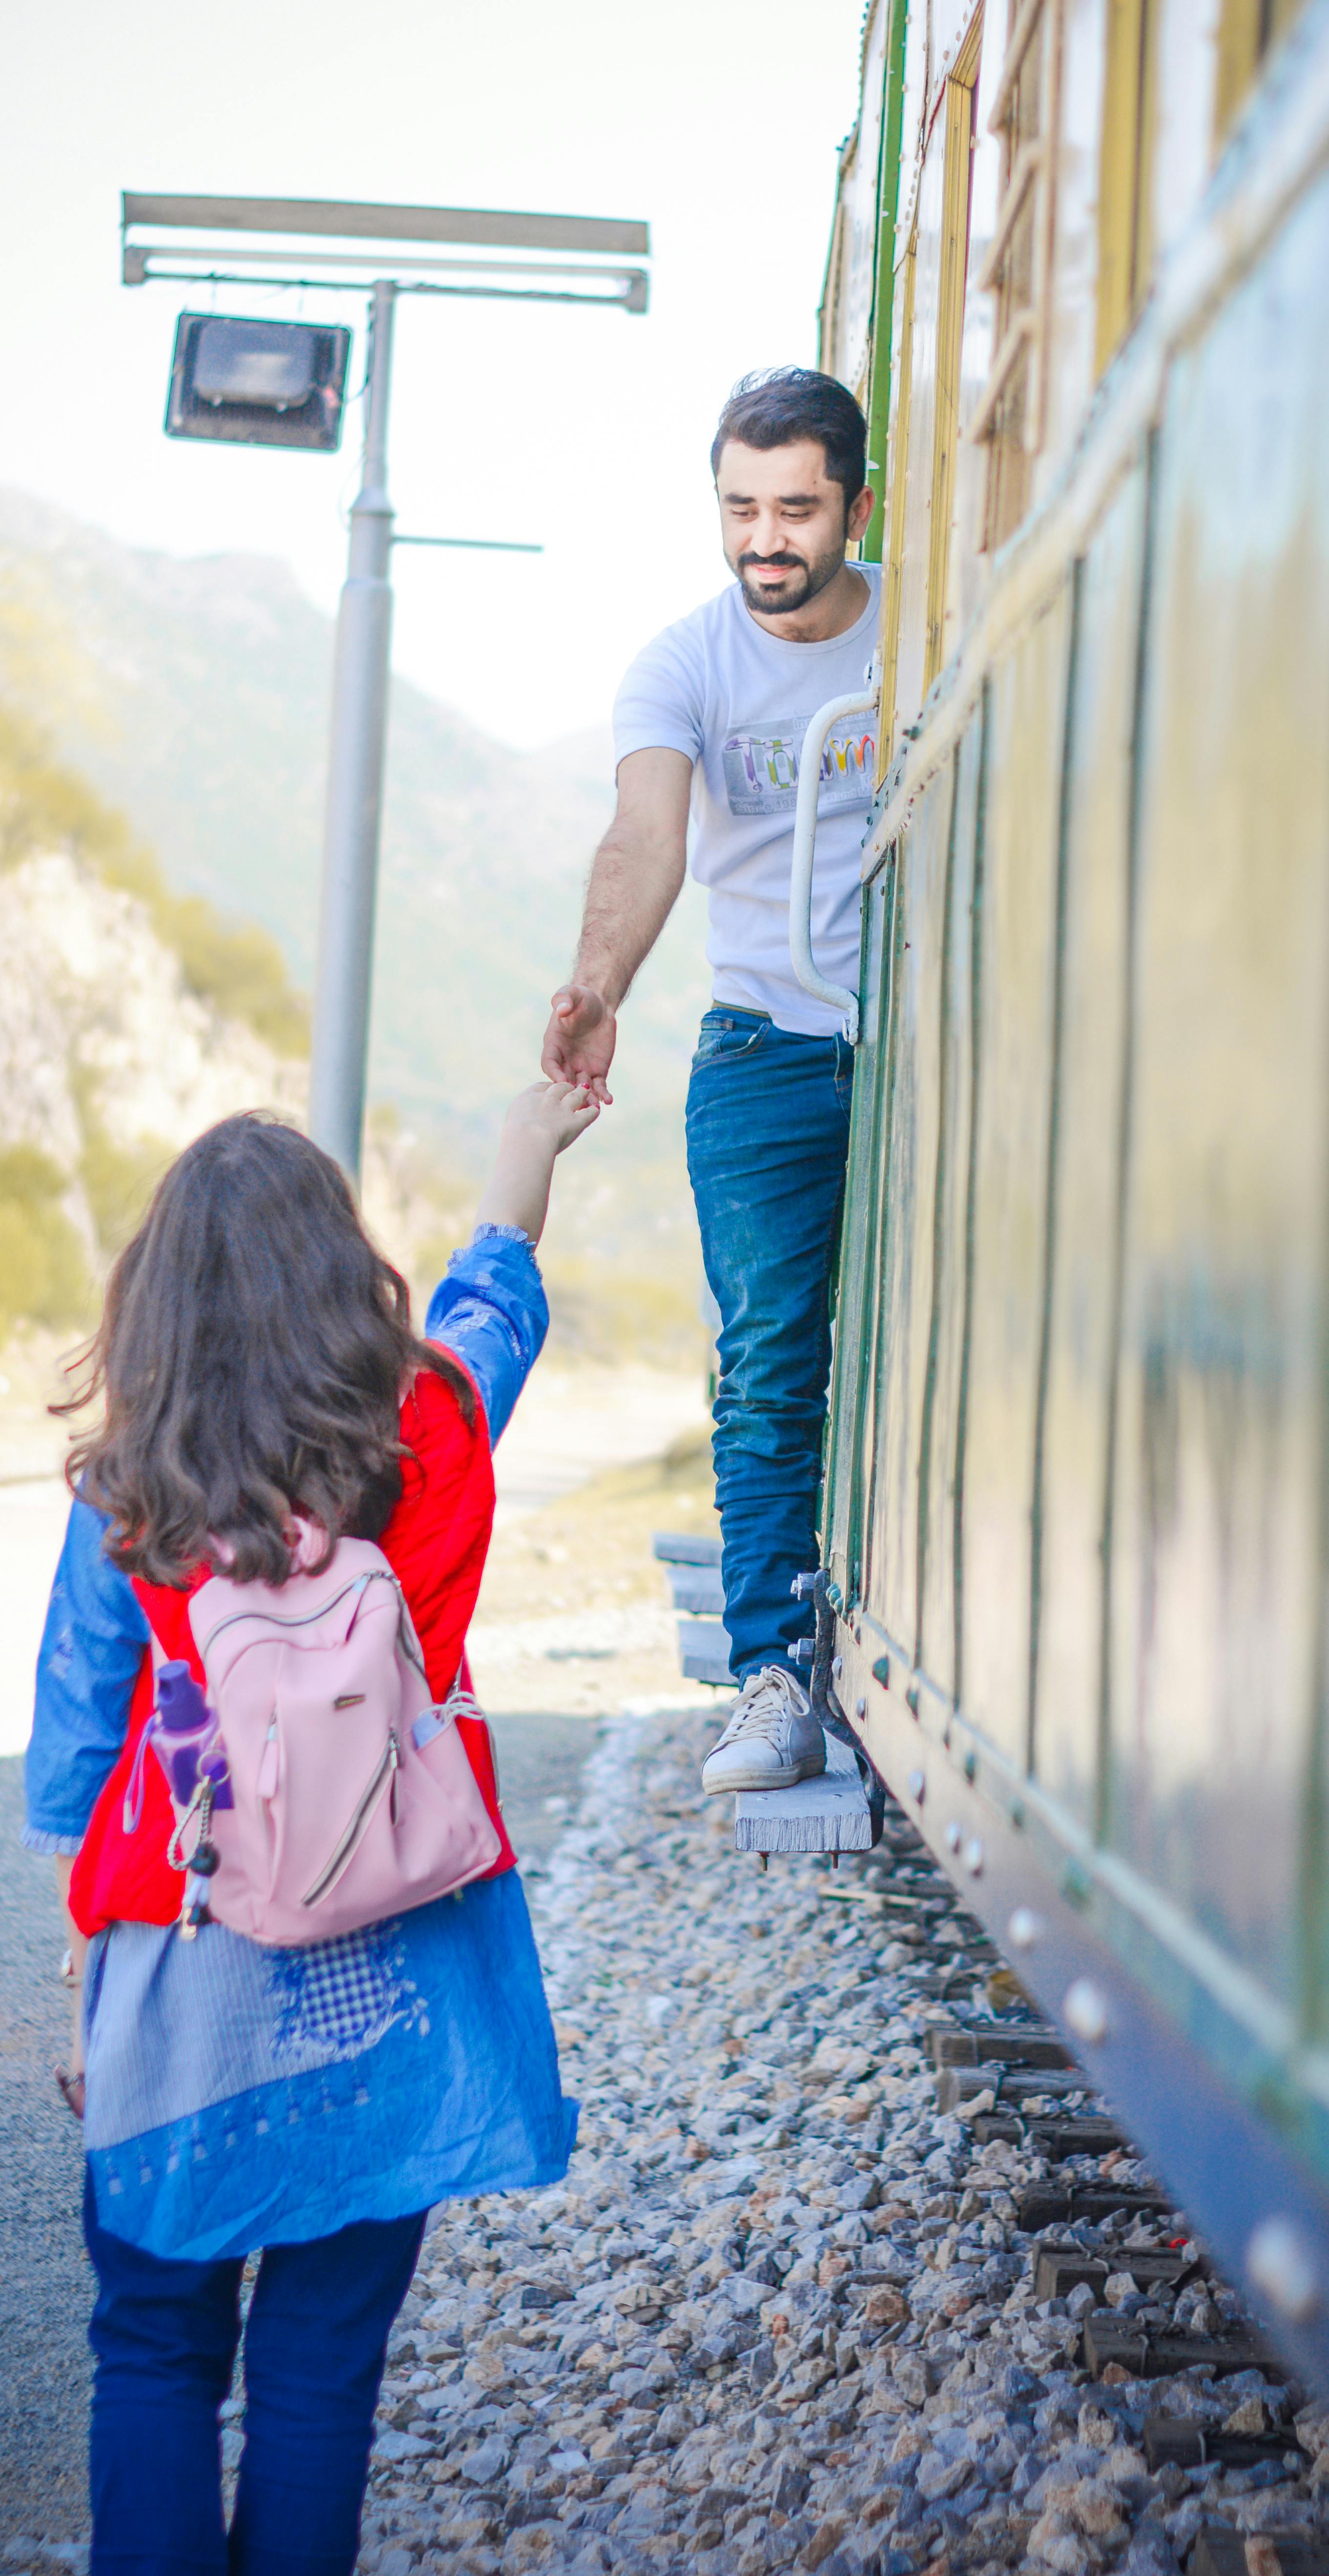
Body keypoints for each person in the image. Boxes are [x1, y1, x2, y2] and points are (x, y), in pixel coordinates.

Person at [21, 1081, 597, 2576]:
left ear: (156, 1312)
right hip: (392, 1989)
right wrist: (521, 1158)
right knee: (319, 2375)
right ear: (346, 1284)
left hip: (184, 1959)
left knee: (151, 2350)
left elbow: (77, 1766)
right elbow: (494, 1311)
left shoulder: (129, 1487)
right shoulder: (433, 1439)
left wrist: (87, 1964)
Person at [543, 366, 878, 1800]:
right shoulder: (682, 661)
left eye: (795, 509)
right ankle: (772, 1679)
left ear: (854, 507)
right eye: (741, 508)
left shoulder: (932, 621)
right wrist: (598, 986)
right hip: (763, 1048)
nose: (765, 539)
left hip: (924, 1042)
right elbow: (644, 833)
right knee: (768, 1366)